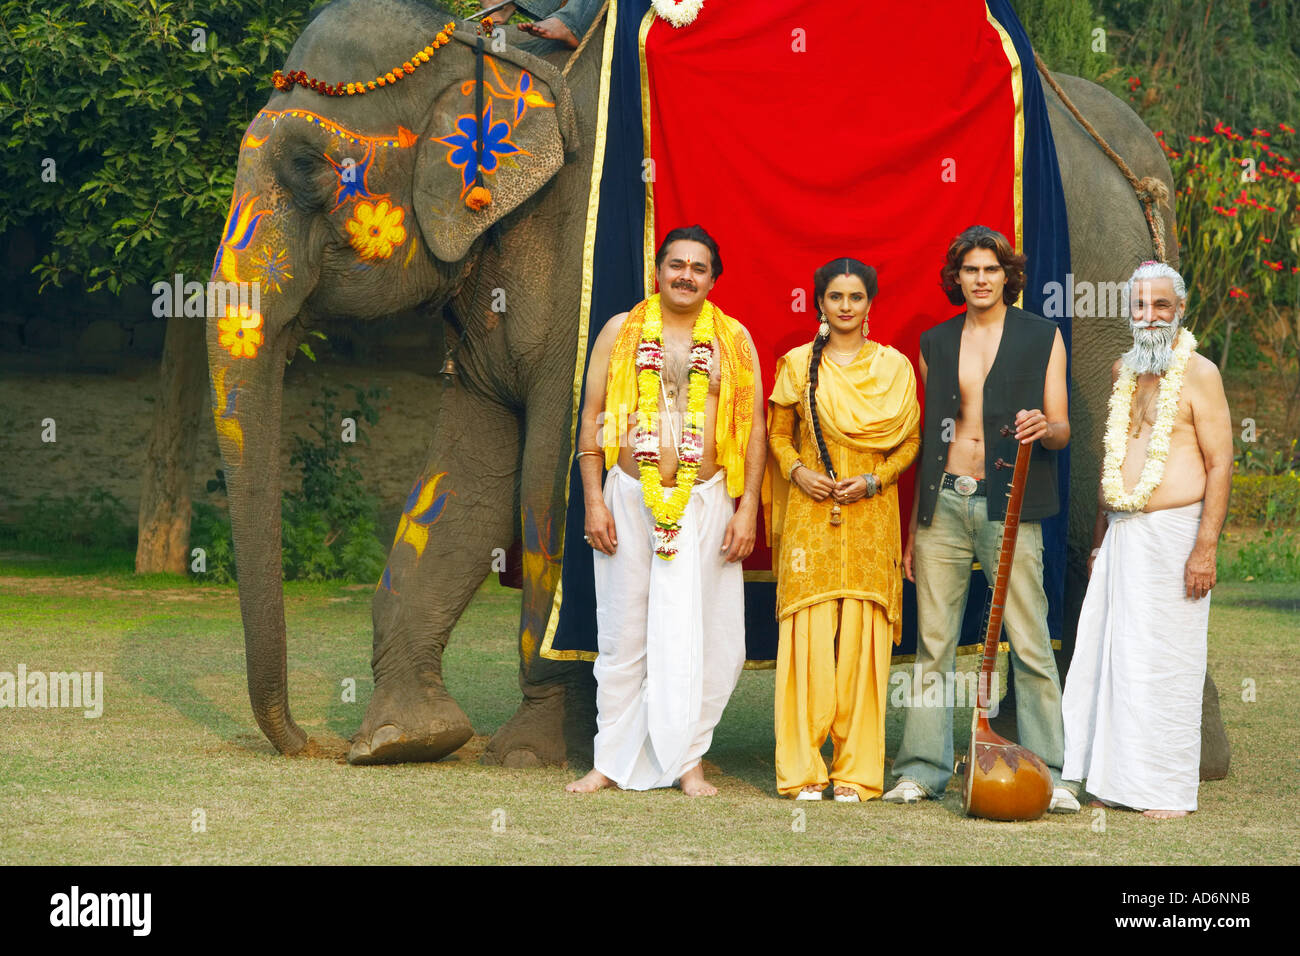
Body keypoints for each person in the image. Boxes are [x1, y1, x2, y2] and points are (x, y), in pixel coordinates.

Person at [566, 225, 766, 797]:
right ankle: (609, 761)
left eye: (698, 267)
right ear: (658, 271)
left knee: (711, 638)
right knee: (624, 632)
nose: (685, 275)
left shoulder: (733, 339)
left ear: (713, 278)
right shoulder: (620, 331)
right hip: (629, 497)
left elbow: (754, 427)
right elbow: (593, 416)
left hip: (707, 502)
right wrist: (595, 500)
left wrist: (747, 506)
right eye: (675, 264)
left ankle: (688, 761)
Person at [885, 225, 1079, 813]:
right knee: (934, 641)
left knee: (1029, 640)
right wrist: (915, 528)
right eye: (970, 270)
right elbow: (926, 438)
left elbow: (1063, 428)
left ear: (1007, 276)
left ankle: (1053, 774)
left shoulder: (1042, 336)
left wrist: (1044, 429)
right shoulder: (934, 342)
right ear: (957, 277)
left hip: (1012, 506)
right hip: (943, 503)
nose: (980, 279)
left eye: (990, 269)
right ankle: (922, 769)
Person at [1061, 261, 1232, 819]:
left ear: (1179, 310)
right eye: (1140, 306)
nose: (1150, 316)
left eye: (1161, 306)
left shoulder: (1200, 372)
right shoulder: (1124, 371)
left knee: (1166, 661)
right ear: (1129, 312)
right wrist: (1098, 538)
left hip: (1176, 538)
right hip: (1122, 536)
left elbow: (1221, 463)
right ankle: (1116, 780)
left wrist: (1205, 547)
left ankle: (1163, 789)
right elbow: (1119, 461)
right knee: (1115, 656)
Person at [765, 258, 920, 801]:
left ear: (870, 304)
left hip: (871, 516)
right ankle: (804, 770)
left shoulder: (895, 368)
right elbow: (777, 435)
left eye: (856, 297)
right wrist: (799, 471)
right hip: (812, 515)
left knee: (863, 639)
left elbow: (910, 443)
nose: (847, 306)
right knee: (807, 638)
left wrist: (876, 481)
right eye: (836, 297)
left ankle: (855, 772)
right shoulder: (795, 364)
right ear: (820, 303)